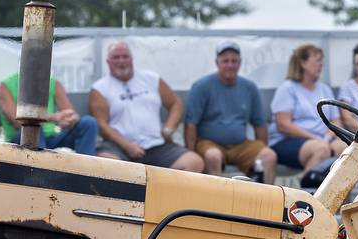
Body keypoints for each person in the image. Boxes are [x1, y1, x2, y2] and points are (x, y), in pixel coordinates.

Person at [89, 42, 199, 170]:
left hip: (155, 145)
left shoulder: (151, 79)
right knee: (106, 164)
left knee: (194, 162)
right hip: (117, 147)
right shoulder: (99, 88)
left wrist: (168, 129)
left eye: (125, 57)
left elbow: (175, 103)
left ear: (132, 59)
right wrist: (128, 146)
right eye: (116, 58)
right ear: (108, 62)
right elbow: (102, 125)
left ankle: (163, 189)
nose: (121, 61)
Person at [185, 42, 277, 183]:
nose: (230, 65)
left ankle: (267, 201)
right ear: (217, 63)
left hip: (241, 144)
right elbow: (191, 124)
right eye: (225, 61)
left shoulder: (249, 87)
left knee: (269, 156)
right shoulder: (201, 86)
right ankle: (213, 201)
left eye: (234, 61)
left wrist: (261, 149)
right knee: (213, 156)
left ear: (240, 63)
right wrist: (190, 153)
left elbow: (259, 123)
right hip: (209, 143)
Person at [269, 43, 344, 178]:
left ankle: (339, 196)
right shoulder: (287, 88)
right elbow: (283, 125)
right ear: (303, 63)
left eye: (322, 61)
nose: (321, 65)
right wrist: (315, 138)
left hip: (322, 140)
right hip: (288, 141)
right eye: (317, 60)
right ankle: (302, 191)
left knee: (348, 151)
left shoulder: (324, 89)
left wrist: (328, 135)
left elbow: (336, 121)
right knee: (321, 149)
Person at [0, 73, 97, 154]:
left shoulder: (53, 83)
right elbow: (17, 121)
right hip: (21, 138)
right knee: (34, 128)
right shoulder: (6, 85)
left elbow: (71, 113)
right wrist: (54, 117)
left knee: (89, 122)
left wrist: (70, 119)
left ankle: (86, 172)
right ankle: (41, 172)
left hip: (51, 138)